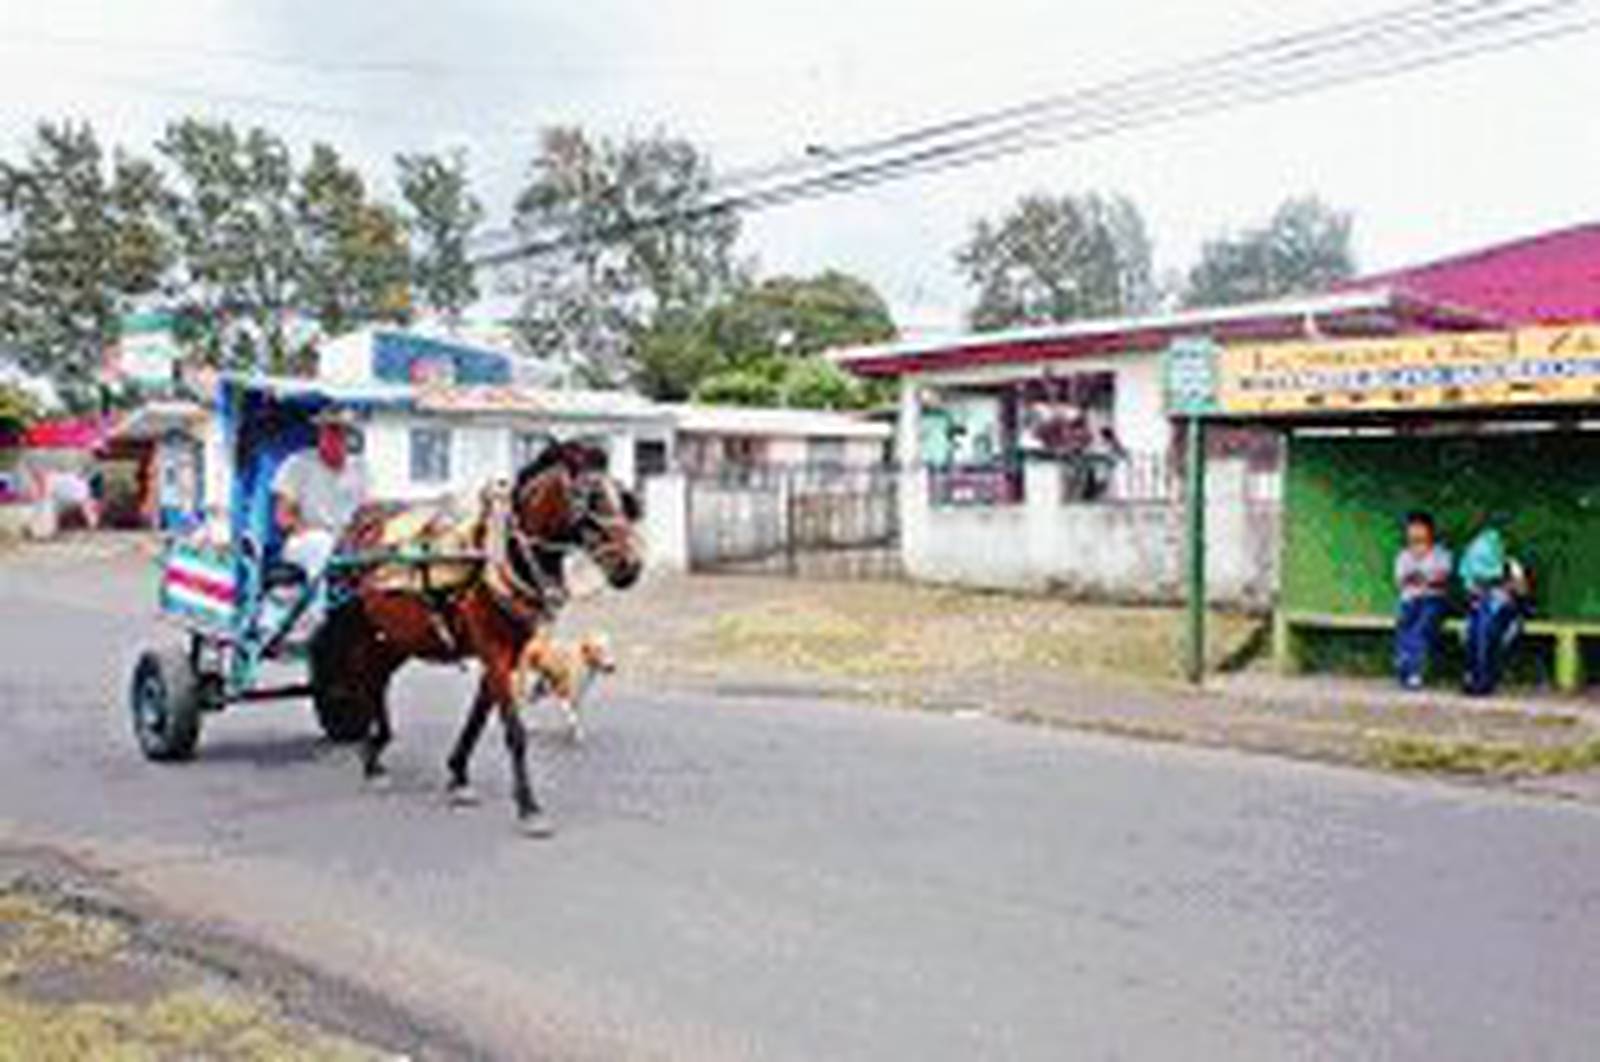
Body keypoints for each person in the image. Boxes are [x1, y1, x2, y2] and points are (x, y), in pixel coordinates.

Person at [271, 407, 368, 625]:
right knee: (322, 544)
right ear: (320, 434)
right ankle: (320, 619)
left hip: (348, 543)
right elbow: (283, 517)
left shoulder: (360, 468)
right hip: (304, 542)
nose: (335, 436)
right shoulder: (297, 465)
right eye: (330, 430)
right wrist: (316, 531)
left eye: (341, 431)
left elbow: (365, 512)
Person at [1458, 525, 1530, 696]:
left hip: (1506, 614)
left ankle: (1483, 677)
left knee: (1488, 626)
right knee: (1476, 628)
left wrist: (1510, 586)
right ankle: (1475, 675)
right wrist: (1480, 592)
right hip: (1481, 613)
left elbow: (1523, 594)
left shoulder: (1510, 565)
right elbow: (1470, 595)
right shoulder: (1473, 567)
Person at [1392, 510, 1453, 690]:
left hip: (1434, 600)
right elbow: (1401, 580)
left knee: (1422, 627)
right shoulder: (1403, 555)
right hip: (1409, 600)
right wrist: (1423, 578)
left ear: (1430, 531)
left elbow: (1441, 578)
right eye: (1412, 529)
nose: (1416, 533)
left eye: (1420, 528)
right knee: (1404, 625)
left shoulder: (1440, 553)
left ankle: (1414, 671)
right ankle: (1404, 666)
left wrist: (1421, 578)